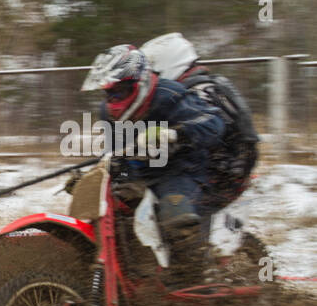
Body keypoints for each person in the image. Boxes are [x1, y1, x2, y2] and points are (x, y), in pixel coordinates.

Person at [80, 44, 228, 286]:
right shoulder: (108, 112)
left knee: (175, 216)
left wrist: (175, 133)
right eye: (108, 93)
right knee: (108, 209)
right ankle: (131, 277)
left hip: (181, 170)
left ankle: (196, 283)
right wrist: (96, 174)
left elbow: (214, 122)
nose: (113, 100)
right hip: (139, 172)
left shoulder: (169, 95)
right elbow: (115, 153)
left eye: (118, 91)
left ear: (137, 84)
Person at [140, 32, 259, 206]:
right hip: (231, 167)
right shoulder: (209, 85)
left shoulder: (196, 92)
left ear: (167, 64)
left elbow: (207, 131)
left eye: (152, 71)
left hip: (220, 174)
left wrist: (171, 135)